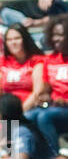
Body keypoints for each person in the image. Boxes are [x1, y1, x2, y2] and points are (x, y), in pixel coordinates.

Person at [25, 16, 68, 151]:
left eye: (60, 35)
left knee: (44, 117)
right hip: (54, 107)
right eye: (54, 35)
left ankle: (55, 158)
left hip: (63, 108)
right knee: (27, 117)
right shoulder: (49, 60)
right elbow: (45, 89)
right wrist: (44, 97)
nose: (56, 38)